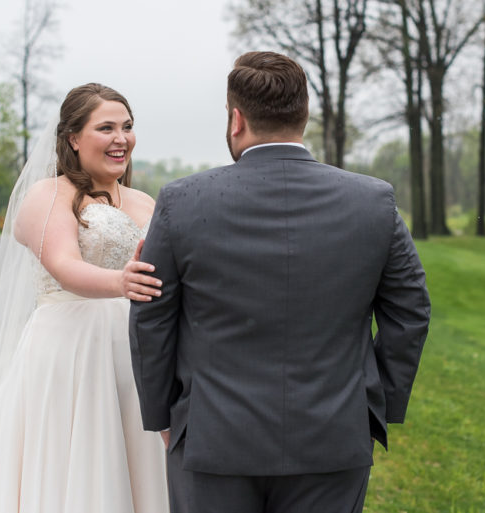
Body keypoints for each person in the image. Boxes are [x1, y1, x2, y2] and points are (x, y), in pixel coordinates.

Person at [129, 51, 431, 513]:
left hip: (212, 438)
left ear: (236, 119)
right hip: (334, 435)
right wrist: (372, 406)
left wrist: (164, 415)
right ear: (304, 116)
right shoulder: (374, 201)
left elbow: (152, 316)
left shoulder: (180, 201)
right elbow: (410, 311)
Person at [0, 83, 169, 513]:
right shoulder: (50, 195)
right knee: (71, 466)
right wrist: (122, 283)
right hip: (71, 352)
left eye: (127, 127)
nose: (121, 139)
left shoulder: (145, 201)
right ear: (73, 138)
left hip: (133, 355)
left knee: (133, 464)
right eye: (106, 128)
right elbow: (64, 265)